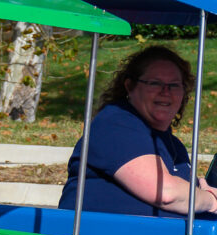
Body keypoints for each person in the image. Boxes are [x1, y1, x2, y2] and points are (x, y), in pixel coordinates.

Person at [59, 45, 217, 217]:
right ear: (130, 86)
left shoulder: (174, 146)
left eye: (174, 85)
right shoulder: (116, 124)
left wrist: (199, 189)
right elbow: (164, 193)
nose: (165, 92)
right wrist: (209, 200)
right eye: (155, 83)